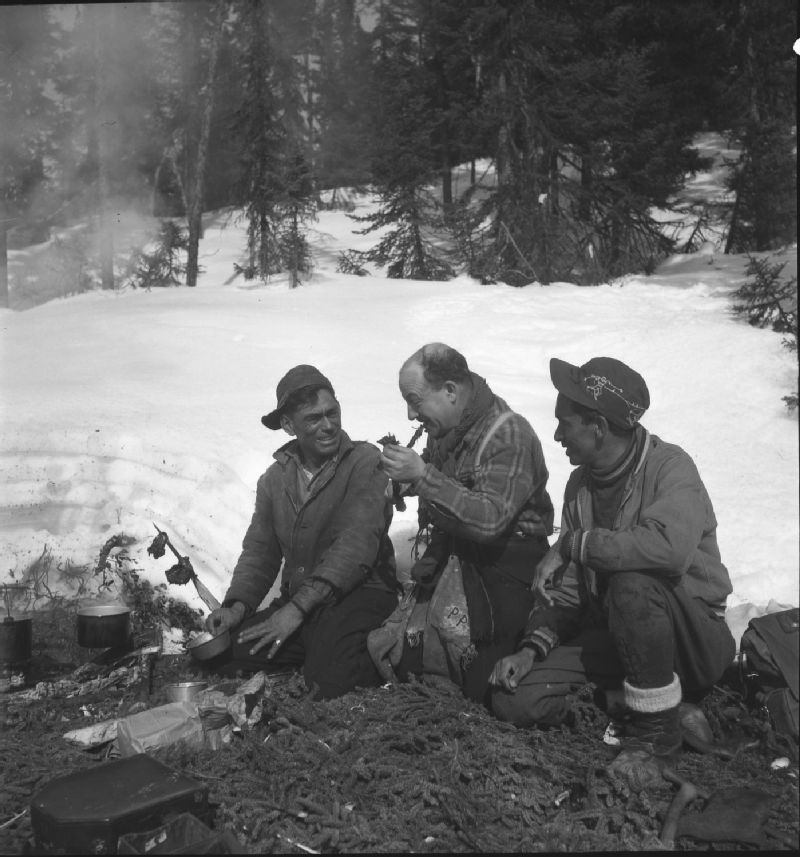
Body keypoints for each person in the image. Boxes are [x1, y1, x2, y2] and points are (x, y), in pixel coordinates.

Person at [490, 356, 736, 777]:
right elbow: (567, 590)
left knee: (633, 582)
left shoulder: (671, 468)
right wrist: (532, 650)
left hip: (692, 641)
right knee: (514, 699)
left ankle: (655, 741)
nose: (556, 434)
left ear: (599, 427)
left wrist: (574, 543)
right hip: (624, 640)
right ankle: (655, 708)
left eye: (565, 423)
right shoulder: (579, 487)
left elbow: (668, 550)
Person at [203, 364, 398, 699]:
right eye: (313, 418)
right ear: (288, 426)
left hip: (358, 596)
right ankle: (320, 649)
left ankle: (368, 651)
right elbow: (260, 551)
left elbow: (355, 547)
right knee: (223, 655)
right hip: (300, 604)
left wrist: (295, 610)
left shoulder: (366, 462)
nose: (328, 426)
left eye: (332, 413)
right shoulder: (275, 479)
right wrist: (237, 606)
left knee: (328, 684)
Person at [375, 342, 554, 705]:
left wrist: (423, 477)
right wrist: (405, 480)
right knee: (400, 654)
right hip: (460, 558)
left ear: (451, 392)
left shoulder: (509, 434)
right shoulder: (449, 429)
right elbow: (444, 477)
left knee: (488, 686)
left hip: (506, 569)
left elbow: (491, 520)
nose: (411, 415)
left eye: (415, 400)